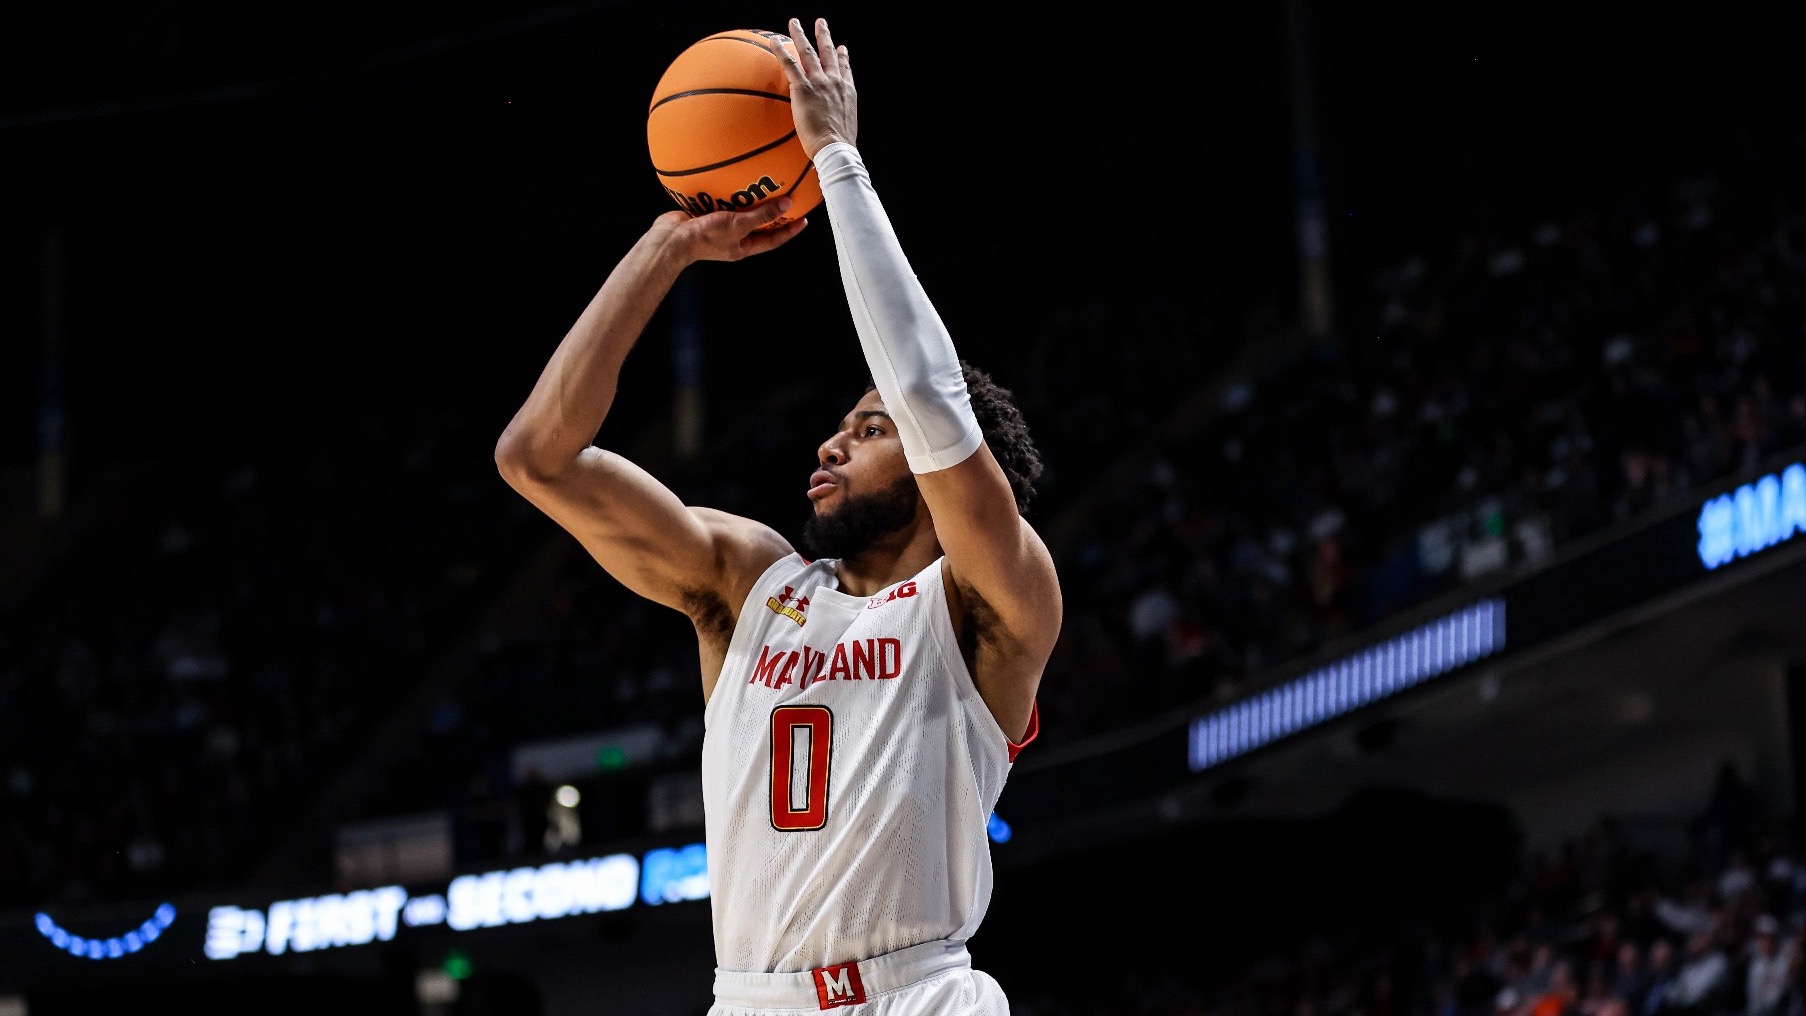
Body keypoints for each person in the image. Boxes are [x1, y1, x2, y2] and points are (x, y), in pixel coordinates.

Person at [494, 16, 1062, 1016]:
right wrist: (668, 246)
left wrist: (836, 160)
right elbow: (538, 456)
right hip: (751, 999)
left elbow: (931, 396)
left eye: (867, 426)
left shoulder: (988, 600)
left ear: (935, 474)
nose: (830, 444)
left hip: (917, 993)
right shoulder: (748, 580)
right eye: (841, 424)